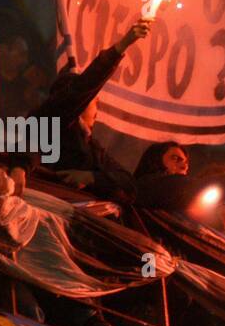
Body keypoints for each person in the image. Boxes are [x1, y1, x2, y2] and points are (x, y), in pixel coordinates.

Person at [26, 21, 153, 201]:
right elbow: (84, 86)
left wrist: (91, 177)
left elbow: (128, 182)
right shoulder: (53, 119)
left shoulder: (93, 146)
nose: (97, 105)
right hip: (48, 201)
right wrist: (122, 45)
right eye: (93, 99)